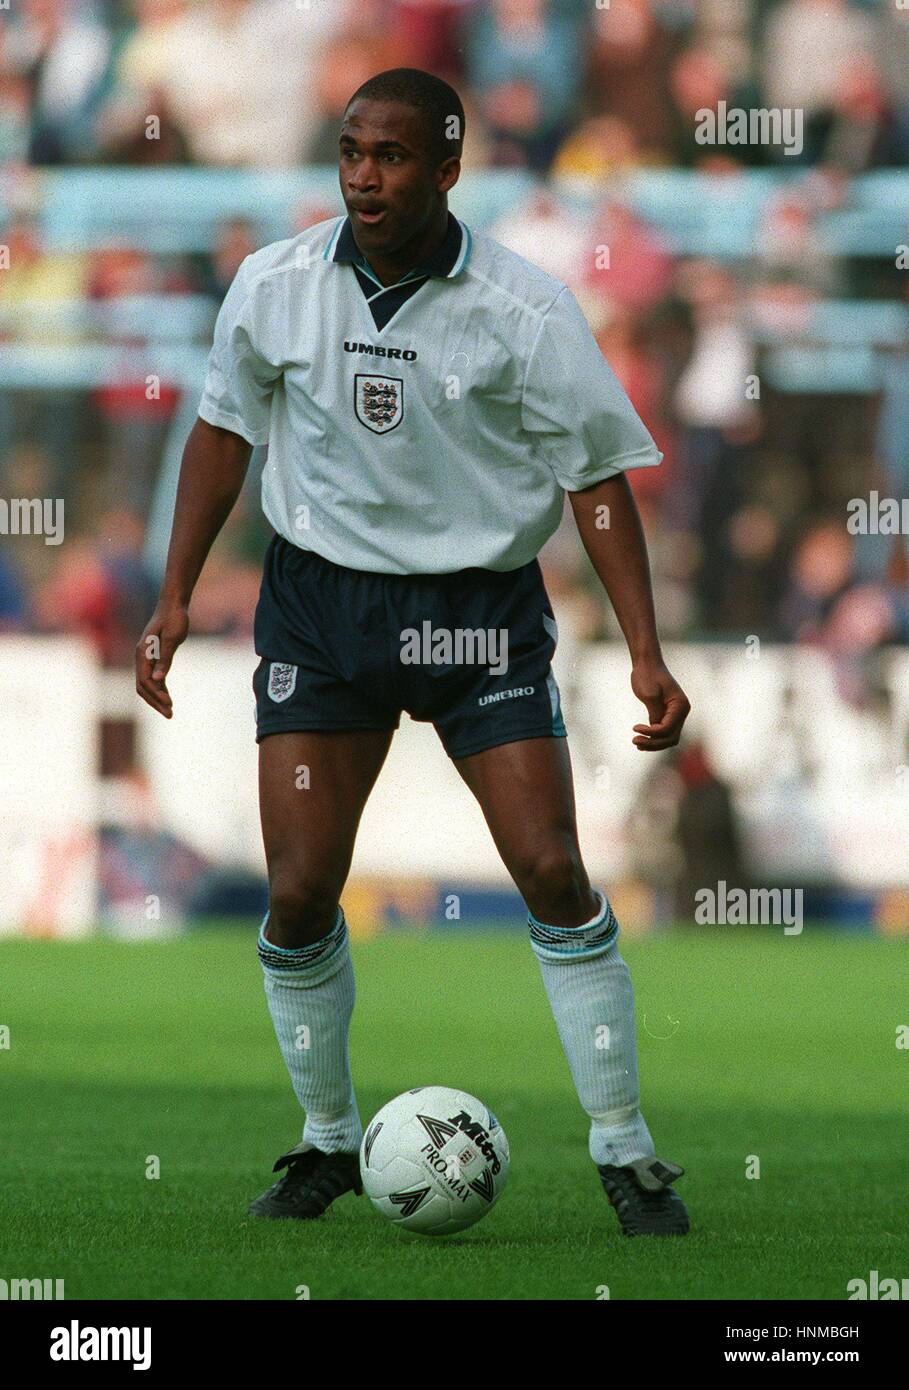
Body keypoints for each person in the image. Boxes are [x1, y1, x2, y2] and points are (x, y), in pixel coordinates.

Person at [135, 68, 691, 1237]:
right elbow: (222, 431)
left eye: (389, 157)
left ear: (447, 169)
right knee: (296, 891)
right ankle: (329, 1142)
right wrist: (174, 597)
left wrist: (646, 649)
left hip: (478, 613)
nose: (364, 177)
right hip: (320, 610)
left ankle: (628, 1152)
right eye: (349, 154)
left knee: (550, 870)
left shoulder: (526, 307)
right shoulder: (276, 284)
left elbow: (597, 479)